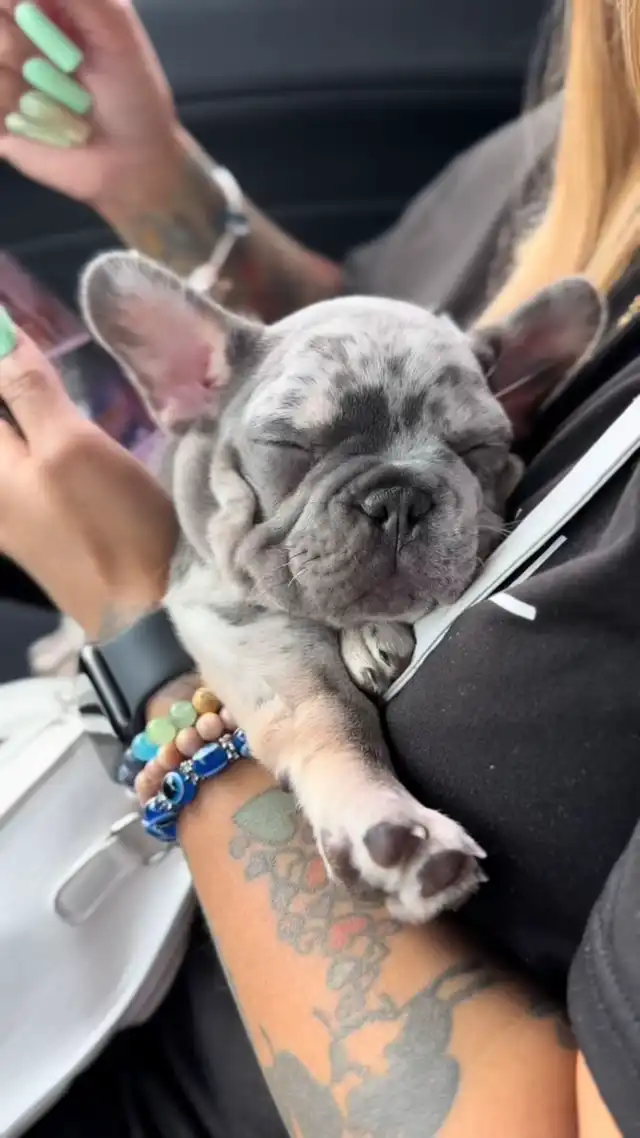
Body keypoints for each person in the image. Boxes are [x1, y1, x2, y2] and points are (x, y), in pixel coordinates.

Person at [0, 0, 638, 1134]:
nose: (394, 499)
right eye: (301, 454)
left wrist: (134, 620)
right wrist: (159, 183)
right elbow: (346, 333)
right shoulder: (572, 135)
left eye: (470, 451)